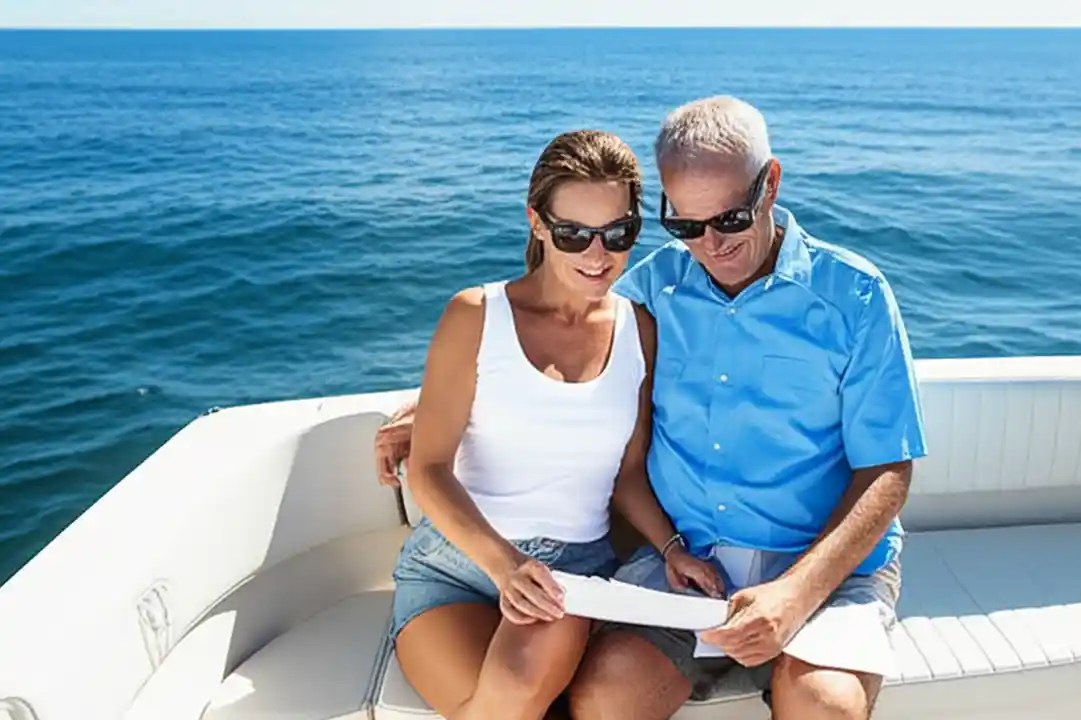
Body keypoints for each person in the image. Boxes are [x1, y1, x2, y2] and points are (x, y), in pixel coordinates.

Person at [377, 97, 927, 720]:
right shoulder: (655, 287)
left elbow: (889, 471)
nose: (711, 245)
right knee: (606, 697)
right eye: (687, 226)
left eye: (730, 219)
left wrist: (796, 595)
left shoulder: (855, 295)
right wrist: (428, 406)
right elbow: (556, 332)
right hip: (691, 573)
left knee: (824, 706)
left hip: (821, 572)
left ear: (770, 183)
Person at [378, 129, 723, 720]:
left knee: (513, 690)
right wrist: (504, 565)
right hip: (453, 568)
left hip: (569, 577)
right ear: (537, 223)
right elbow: (430, 471)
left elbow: (628, 475)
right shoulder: (474, 316)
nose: (597, 254)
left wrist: (671, 548)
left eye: (618, 234)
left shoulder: (639, 330)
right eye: (574, 234)